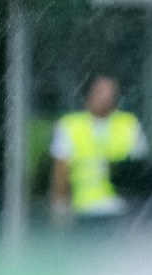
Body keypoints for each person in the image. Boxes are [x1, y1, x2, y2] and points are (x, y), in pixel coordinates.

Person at [47, 74, 144, 226]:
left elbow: (141, 170)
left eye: (111, 92)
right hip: (85, 211)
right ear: (88, 94)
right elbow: (60, 173)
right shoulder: (70, 125)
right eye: (100, 91)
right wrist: (60, 211)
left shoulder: (129, 124)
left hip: (122, 210)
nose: (106, 97)